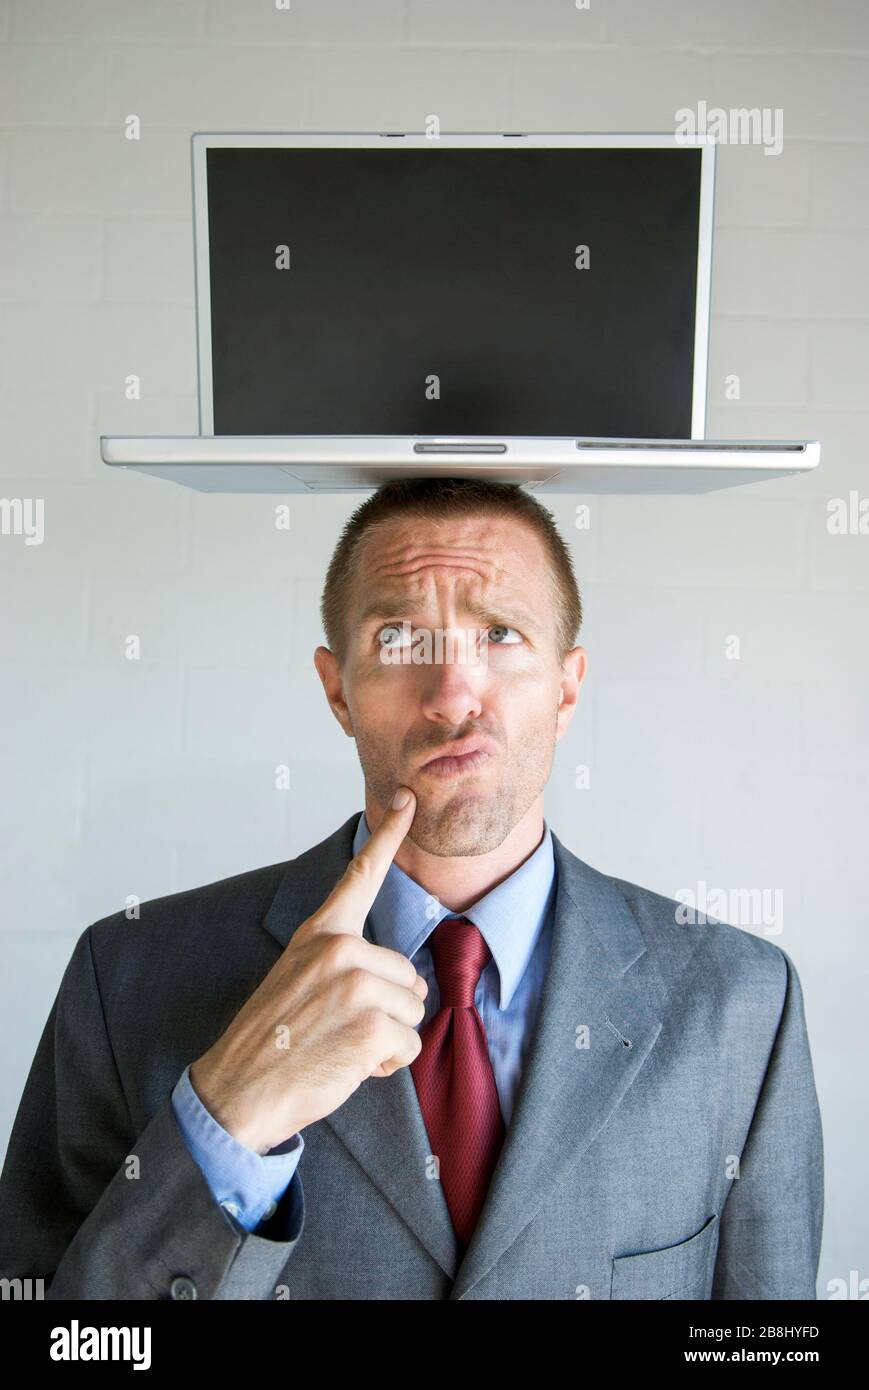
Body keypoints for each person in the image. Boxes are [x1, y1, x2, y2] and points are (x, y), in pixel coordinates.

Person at [0, 477, 823, 1300]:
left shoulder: (740, 1002)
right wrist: (230, 1116)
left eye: (499, 634)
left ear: (566, 688)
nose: (452, 694)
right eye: (399, 639)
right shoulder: (125, 976)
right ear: (337, 690)